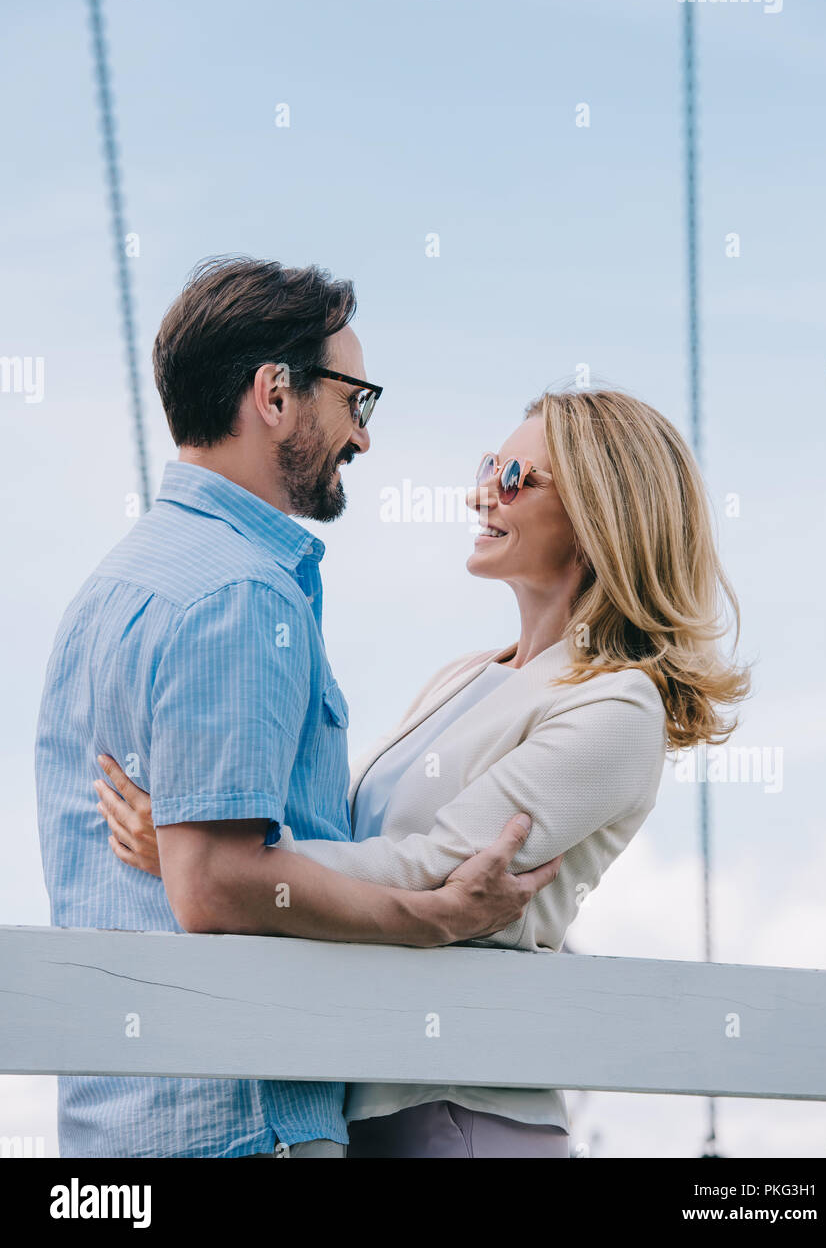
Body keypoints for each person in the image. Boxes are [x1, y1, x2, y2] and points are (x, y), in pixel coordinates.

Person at [97, 385, 751, 1158]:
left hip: (461, 1112)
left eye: (514, 478)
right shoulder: (463, 675)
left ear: (598, 516)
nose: (481, 492)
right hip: (369, 1099)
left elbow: (436, 868)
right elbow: (348, 835)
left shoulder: (616, 706)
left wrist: (209, 857)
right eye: (489, 466)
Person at [34, 255, 560, 1160]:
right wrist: (433, 918)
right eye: (357, 401)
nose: (364, 439)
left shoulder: (108, 589)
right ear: (275, 395)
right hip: (247, 1124)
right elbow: (218, 882)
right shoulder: (243, 593)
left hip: (120, 1128)